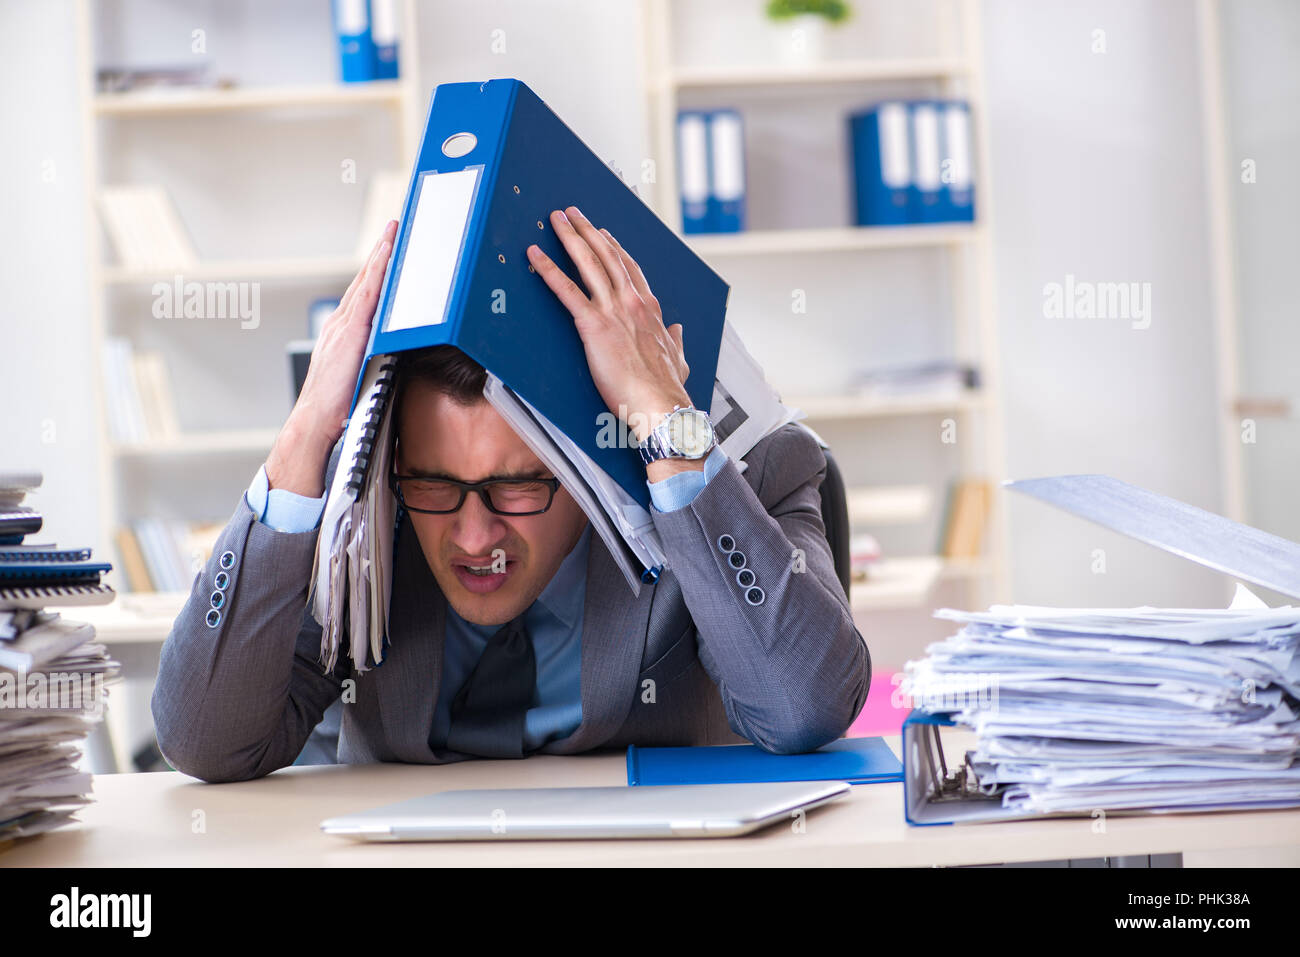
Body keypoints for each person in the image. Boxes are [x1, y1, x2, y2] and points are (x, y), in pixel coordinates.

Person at [152, 207, 870, 782]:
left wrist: (664, 426)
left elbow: (803, 708)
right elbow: (206, 741)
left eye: (517, 485)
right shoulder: (360, 510)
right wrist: (303, 434)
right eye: (435, 483)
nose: (472, 536)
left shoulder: (748, 471)